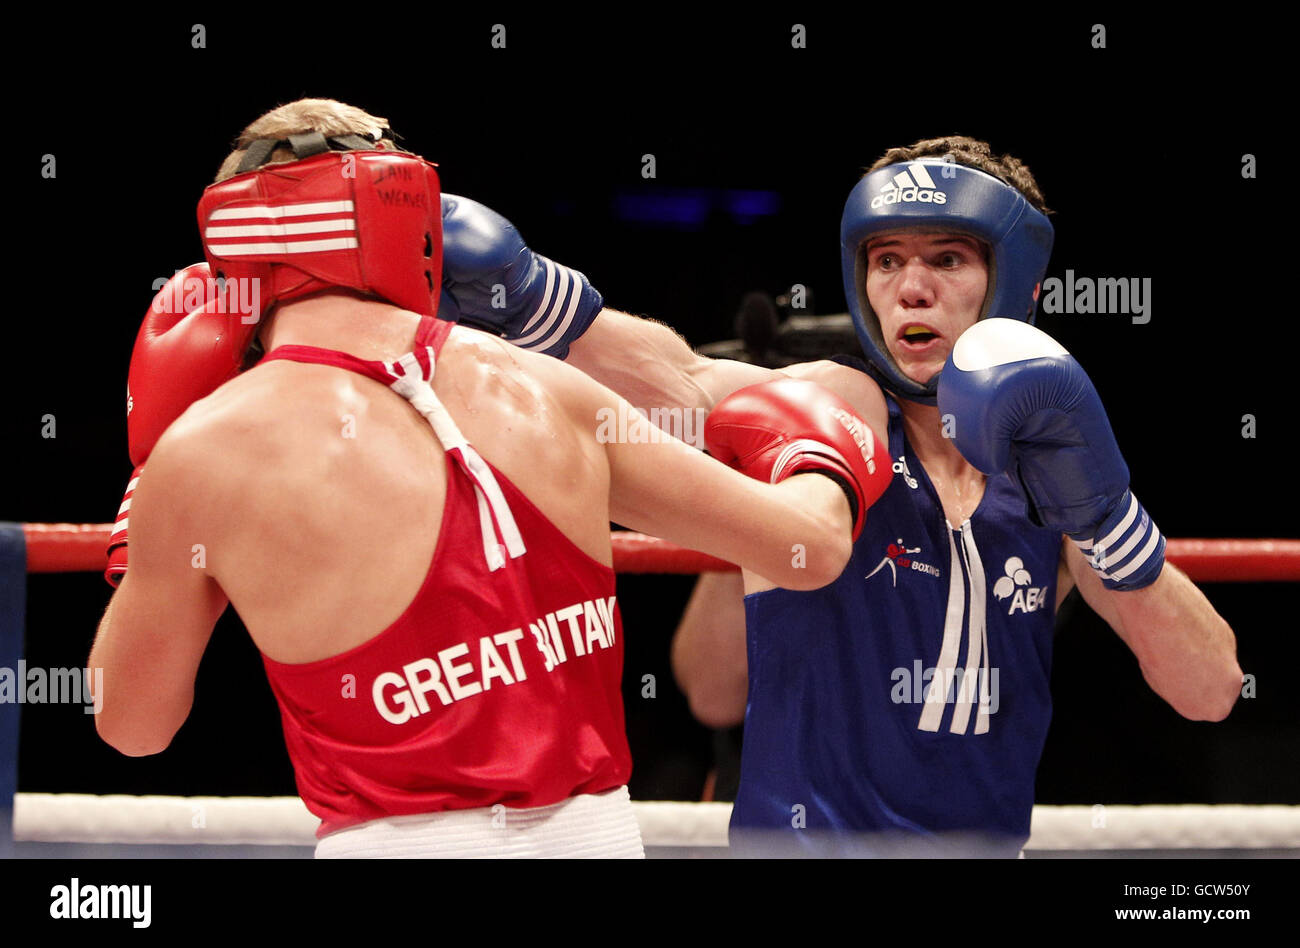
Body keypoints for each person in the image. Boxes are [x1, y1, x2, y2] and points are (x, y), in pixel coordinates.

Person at [88, 99, 891, 858]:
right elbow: (808, 549)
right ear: (414, 219)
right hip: (602, 839)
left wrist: (148, 501)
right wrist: (819, 451)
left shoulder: (202, 454)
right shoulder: (548, 389)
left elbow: (133, 726)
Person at [546, 136, 1244, 855]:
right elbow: (680, 378)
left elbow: (1212, 688)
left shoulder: (1048, 471)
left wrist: (1106, 517)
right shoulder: (823, 407)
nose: (911, 288)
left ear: (1020, 282)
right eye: (886, 261)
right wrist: (532, 294)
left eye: (947, 259)